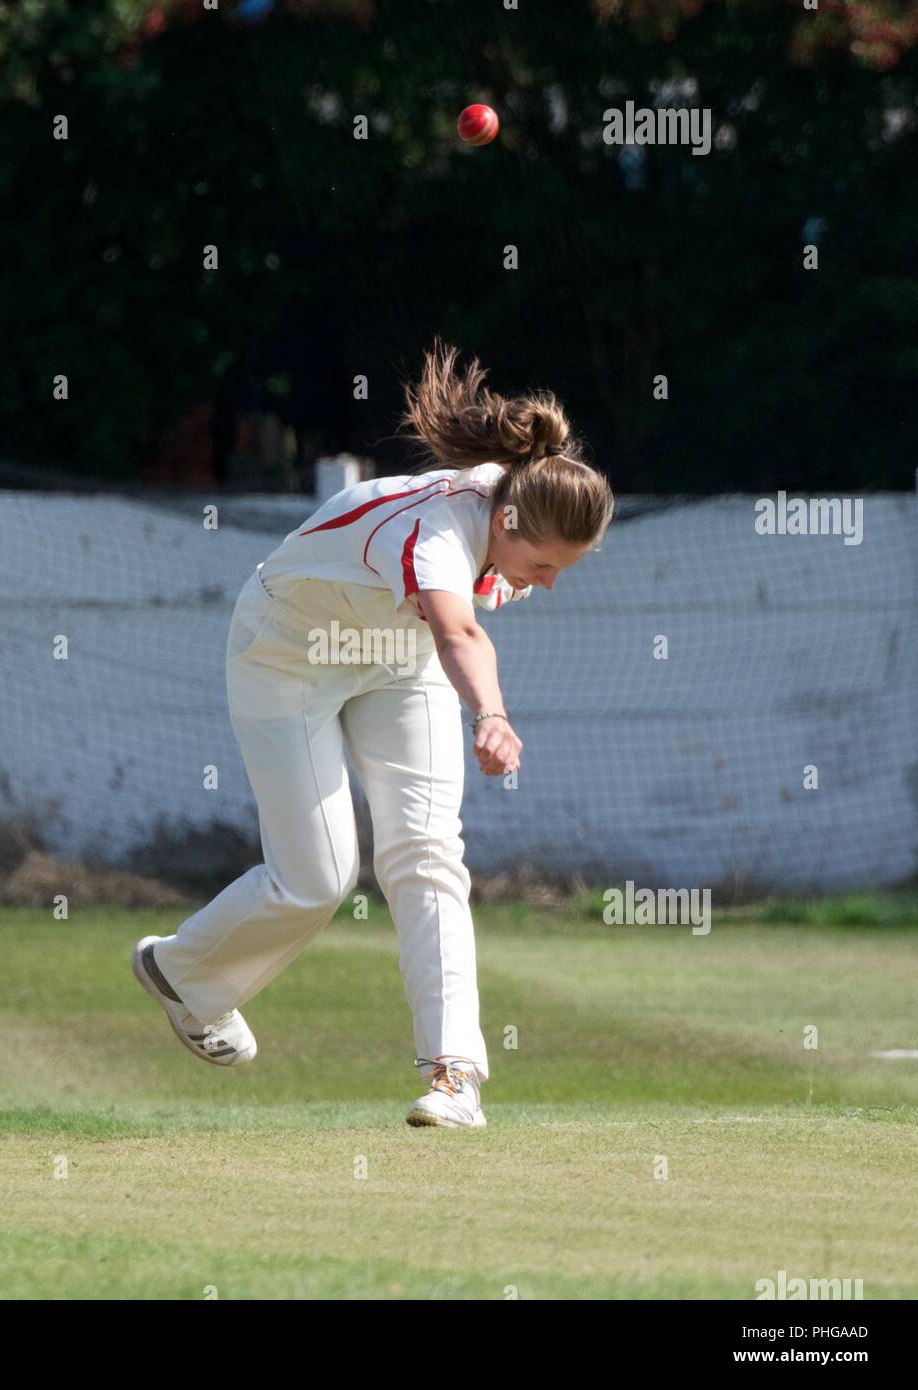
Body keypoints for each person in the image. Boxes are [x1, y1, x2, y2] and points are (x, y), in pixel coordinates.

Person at [133, 340, 614, 1128]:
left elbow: (449, 629)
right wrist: (490, 716)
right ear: (507, 519)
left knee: (428, 855)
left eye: (565, 569)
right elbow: (462, 634)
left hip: (396, 657)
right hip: (288, 653)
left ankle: (454, 1078)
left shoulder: (521, 497)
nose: (548, 583)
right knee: (316, 879)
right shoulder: (439, 531)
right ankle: (180, 972)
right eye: (544, 564)